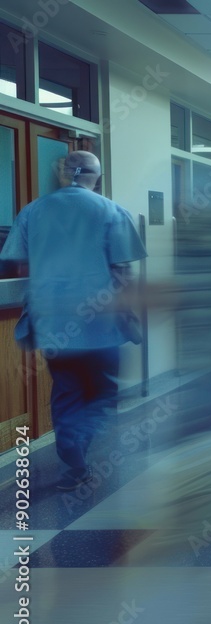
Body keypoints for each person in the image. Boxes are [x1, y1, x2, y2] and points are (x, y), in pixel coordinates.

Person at [1, 151, 146, 491]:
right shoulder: (111, 211)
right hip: (101, 324)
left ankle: (73, 456)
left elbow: (18, 265)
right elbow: (123, 270)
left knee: (67, 391)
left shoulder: (32, 211)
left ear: (63, 173)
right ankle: (77, 449)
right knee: (101, 393)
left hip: (53, 323)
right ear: (96, 175)